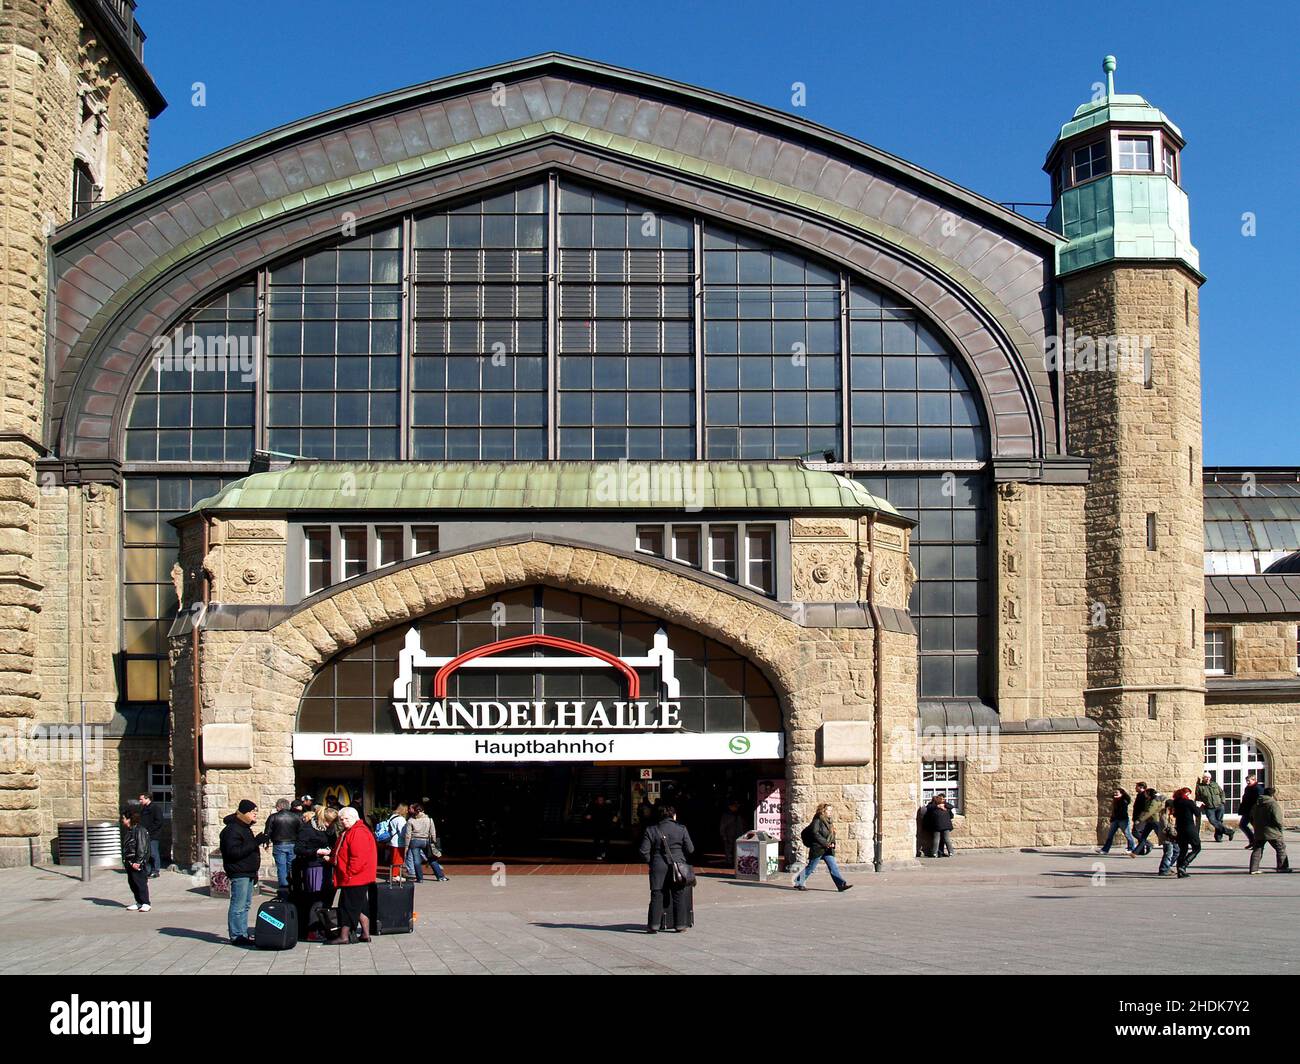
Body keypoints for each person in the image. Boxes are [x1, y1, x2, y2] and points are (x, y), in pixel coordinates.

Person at [639, 804, 695, 933]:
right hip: (677, 864)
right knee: (678, 894)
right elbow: (690, 849)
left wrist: (651, 861)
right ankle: (680, 925)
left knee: (656, 893)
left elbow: (643, 851)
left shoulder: (651, 830)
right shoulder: (681, 829)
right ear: (673, 815)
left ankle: (654, 925)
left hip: (658, 864)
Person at [219, 800, 267, 945]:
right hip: (239, 872)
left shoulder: (245, 828)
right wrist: (256, 842)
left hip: (248, 871)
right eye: (252, 812)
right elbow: (233, 853)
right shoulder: (232, 830)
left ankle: (243, 932)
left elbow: (248, 850)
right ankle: (236, 935)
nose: (255, 814)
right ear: (244, 813)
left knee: (245, 905)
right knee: (238, 905)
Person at [329, 806, 376, 944]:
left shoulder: (358, 832)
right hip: (356, 877)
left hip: (355, 878)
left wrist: (349, 873)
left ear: (355, 818)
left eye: (346, 819)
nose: (343, 821)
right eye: (341, 819)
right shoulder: (352, 831)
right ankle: (365, 935)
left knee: (347, 906)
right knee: (360, 906)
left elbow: (358, 857)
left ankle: (344, 936)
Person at [794, 803, 853, 891]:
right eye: (828, 810)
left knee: (833, 867)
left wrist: (832, 843)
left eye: (831, 810)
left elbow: (831, 834)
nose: (830, 812)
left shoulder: (829, 821)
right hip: (818, 848)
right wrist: (825, 843)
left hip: (827, 849)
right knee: (811, 867)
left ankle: (841, 885)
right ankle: (799, 882)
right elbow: (815, 833)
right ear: (823, 811)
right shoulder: (817, 820)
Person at [294, 805, 336, 903]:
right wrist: (317, 851)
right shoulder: (307, 829)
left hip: (327, 864)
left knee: (326, 896)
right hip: (313, 865)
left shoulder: (329, 829)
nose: (331, 825)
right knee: (315, 897)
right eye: (330, 822)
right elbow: (298, 849)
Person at [1247, 787, 1291, 875]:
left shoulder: (1257, 804)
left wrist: (1256, 826)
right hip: (1272, 831)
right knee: (1280, 848)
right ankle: (1282, 867)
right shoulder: (1273, 804)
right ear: (1272, 794)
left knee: (1257, 849)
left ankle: (1253, 869)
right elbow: (1277, 819)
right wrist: (1279, 828)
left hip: (1259, 830)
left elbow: (1251, 817)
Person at [265, 798, 301, 891]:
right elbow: (301, 830)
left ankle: (283, 889)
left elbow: (268, 831)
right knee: (292, 866)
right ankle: (292, 887)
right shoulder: (295, 816)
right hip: (293, 843)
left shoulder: (273, 817)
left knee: (281, 867)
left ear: (279, 806)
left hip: (279, 844)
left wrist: (266, 842)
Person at [121, 809, 151, 911]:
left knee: (140, 882)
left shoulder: (140, 830)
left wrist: (138, 861)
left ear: (129, 819)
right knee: (132, 883)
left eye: (124, 818)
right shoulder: (130, 831)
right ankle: (139, 902)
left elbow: (141, 847)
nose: (122, 820)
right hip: (129, 861)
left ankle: (146, 903)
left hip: (136, 862)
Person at [403, 802, 441, 883]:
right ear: (423, 810)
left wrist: (406, 846)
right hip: (426, 840)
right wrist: (433, 841)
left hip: (414, 841)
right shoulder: (429, 819)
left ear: (415, 811)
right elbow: (433, 832)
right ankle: (440, 876)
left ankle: (420, 878)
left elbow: (408, 835)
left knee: (416, 861)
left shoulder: (411, 820)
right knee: (431, 858)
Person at [1098, 788, 1138, 856]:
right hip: (1115, 820)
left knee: (1127, 834)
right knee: (1110, 835)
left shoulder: (1123, 800)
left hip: (1122, 820)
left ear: (1121, 794)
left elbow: (1122, 810)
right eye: (1114, 792)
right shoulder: (1115, 800)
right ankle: (1105, 850)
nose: (1115, 794)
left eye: (1116, 792)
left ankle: (1131, 848)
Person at [1171, 787, 1201, 878]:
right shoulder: (1189, 802)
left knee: (1183, 850)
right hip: (1189, 828)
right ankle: (1183, 865)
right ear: (1187, 794)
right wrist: (1197, 806)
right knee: (1197, 847)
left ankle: (1180, 871)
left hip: (1179, 828)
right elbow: (1197, 814)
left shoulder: (1176, 802)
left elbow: (1175, 814)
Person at [1195, 772, 1234, 842]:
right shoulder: (1200, 787)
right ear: (1203, 778)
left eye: (1208, 777)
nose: (1207, 779)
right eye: (1205, 777)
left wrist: (1222, 801)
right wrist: (1201, 803)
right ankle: (1229, 832)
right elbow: (1198, 797)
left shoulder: (1214, 784)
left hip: (1219, 805)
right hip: (1209, 807)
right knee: (1213, 821)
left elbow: (1222, 793)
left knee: (1219, 822)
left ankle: (1218, 837)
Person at [1131, 784, 1165, 855]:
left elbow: (1149, 812)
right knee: (1143, 837)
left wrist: (1140, 820)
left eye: (1146, 793)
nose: (1144, 794)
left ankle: (1173, 848)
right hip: (1149, 821)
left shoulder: (1154, 802)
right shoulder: (1149, 800)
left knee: (1161, 837)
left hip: (1155, 821)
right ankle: (1135, 853)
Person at [137, 793, 164, 878]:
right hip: (145, 834)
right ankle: (149, 870)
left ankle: (156, 870)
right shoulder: (144, 808)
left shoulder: (155, 808)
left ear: (147, 798)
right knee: (147, 853)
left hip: (153, 835)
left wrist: (149, 831)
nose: (140, 801)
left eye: (142, 799)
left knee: (153, 853)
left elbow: (158, 822)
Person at [585, 794, 617, 861]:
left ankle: (604, 851)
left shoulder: (607, 806)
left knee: (606, 840)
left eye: (602, 800)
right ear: (597, 800)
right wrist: (587, 816)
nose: (600, 801)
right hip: (597, 826)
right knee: (597, 841)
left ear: (604, 800)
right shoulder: (593, 806)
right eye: (599, 800)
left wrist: (614, 819)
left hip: (606, 826)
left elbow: (612, 814)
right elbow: (587, 813)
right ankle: (598, 854)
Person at [1153, 800, 1181, 877]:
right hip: (1167, 837)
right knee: (1168, 853)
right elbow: (1167, 826)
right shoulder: (1164, 815)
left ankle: (1167, 866)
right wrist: (1174, 833)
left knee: (1177, 851)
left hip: (1173, 836)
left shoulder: (1172, 814)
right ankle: (1164, 869)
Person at [923, 794, 955, 858]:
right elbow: (951, 815)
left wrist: (941, 806)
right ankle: (951, 852)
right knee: (947, 839)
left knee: (936, 839)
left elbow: (928, 808)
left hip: (936, 825)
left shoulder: (933, 807)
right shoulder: (946, 807)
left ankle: (934, 853)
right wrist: (943, 805)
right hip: (946, 825)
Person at [383, 802, 409, 880]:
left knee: (393, 859)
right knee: (398, 859)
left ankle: (394, 874)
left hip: (392, 841)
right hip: (399, 842)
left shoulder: (392, 817)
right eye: (406, 810)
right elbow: (402, 833)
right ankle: (395, 875)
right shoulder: (401, 819)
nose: (407, 811)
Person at [1238, 774, 1262, 848]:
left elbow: (1260, 800)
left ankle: (1257, 843)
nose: (1247, 782)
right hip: (1247, 811)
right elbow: (1245, 799)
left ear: (1254, 780)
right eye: (1247, 781)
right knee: (1242, 825)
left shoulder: (1258, 788)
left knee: (1256, 827)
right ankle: (1252, 841)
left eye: (1249, 781)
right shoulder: (1247, 788)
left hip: (1254, 811)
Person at [718, 799, 743, 868]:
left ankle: (736, 862)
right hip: (729, 835)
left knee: (737, 849)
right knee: (728, 849)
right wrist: (723, 835)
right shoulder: (726, 815)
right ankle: (729, 862)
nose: (736, 807)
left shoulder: (738, 814)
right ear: (730, 807)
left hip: (738, 835)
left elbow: (741, 825)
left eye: (737, 806)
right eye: (735, 806)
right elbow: (722, 826)